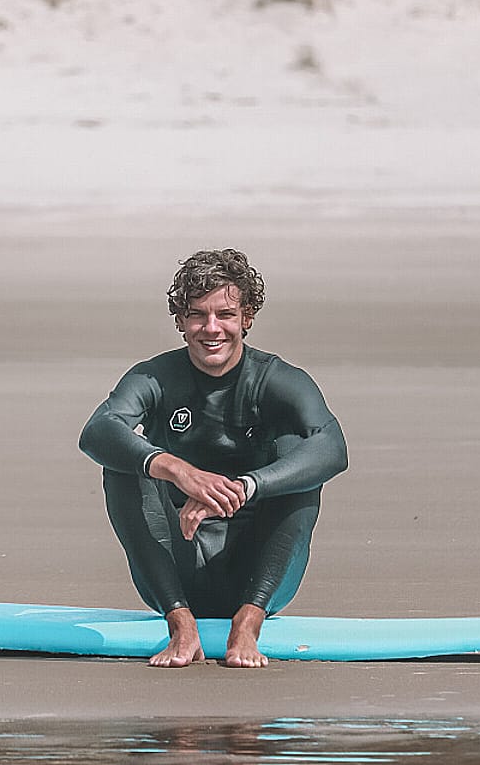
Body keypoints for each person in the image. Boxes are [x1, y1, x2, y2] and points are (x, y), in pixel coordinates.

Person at [79, 249, 347, 667]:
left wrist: (244, 486)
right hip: (175, 566)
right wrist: (178, 470)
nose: (211, 328)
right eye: (197, 315)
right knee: (124, 464)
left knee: (300, 453)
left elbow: (332, 446)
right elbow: (97, 430)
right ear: (181, 321)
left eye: (224, 314)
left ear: (247, 317)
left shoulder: (278, 380)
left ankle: (247, 623)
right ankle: (181, 624)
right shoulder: (156, 377)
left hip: (261, 572)